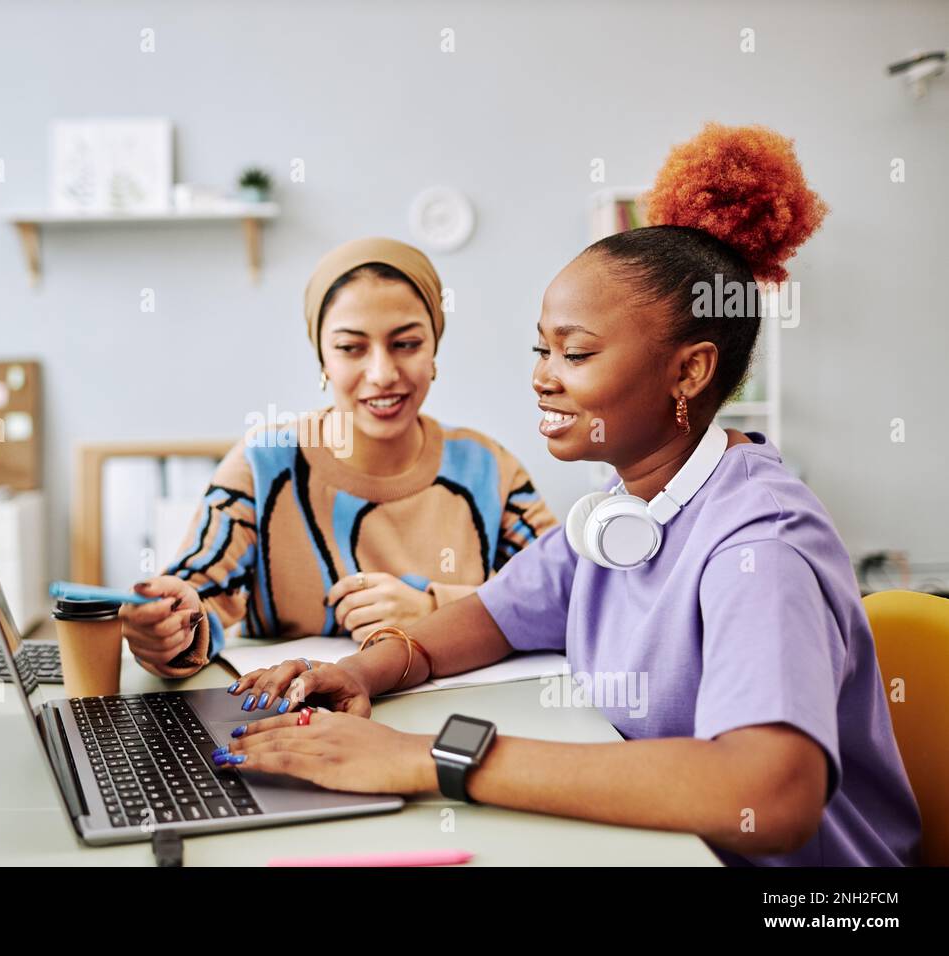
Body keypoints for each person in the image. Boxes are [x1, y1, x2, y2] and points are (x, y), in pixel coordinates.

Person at [216, 123, 922, 866]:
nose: (542, 376)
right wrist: (357, 673)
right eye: (541, 349)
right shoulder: (621, 518)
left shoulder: (760, 547)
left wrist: (427, 758)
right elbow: (485, 620)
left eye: (576, 353)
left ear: (690, 372)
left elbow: (769, 797)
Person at [120, 237, 556, 683]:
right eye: (351, 348)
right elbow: (197, 599)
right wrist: (170, 629)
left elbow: (572, 603)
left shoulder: (487, 468)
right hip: (291, 724)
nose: (383, 374)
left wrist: (434, 608)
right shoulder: (264, 464)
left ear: (434, 349)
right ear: (322, 357)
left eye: (406, 344)